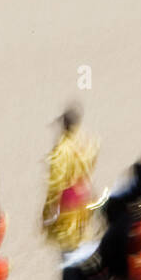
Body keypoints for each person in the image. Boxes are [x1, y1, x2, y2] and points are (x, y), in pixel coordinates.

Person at [42, 106, 99, 253]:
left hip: (68, 202)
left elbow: (56, 182)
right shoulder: (86, 141)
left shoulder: (61, 150)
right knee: (85, 239)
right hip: (85, 195)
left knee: (68, 248)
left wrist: (48, 210)